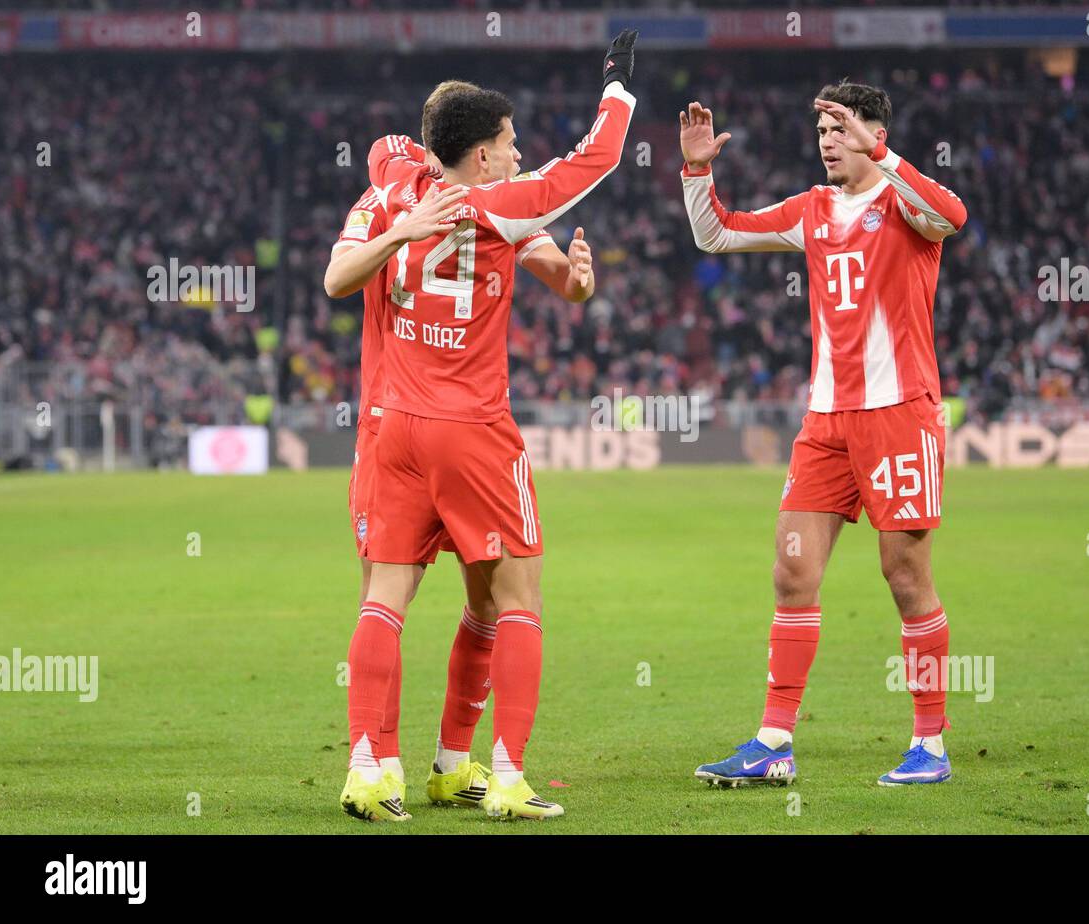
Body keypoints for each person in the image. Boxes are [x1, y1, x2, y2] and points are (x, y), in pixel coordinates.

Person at [342, 29, 638, 821]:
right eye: (507, 144)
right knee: (519, 596)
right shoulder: (502, 204)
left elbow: (387, 148)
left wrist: (573, 284)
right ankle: (506, 775)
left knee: (389, 596)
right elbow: (596, 159)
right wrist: (618, 87)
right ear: (479, 156)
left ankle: (385, 767)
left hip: (394, 425)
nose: (518, 155)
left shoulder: (392, 187)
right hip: (472, 428)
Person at [679, 82, 967, 787]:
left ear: (874, 132)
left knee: (905, 577)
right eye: (821, 129)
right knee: (792, 570)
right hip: (825, 422)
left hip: (899, 411)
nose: (827, 140)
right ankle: (775, 740)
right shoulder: (810, 209)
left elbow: (951, 216)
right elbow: (717, 232)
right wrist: (696, 172)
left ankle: (930, 744)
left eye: (840, 127)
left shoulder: (904, 199)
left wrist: (885, 155)